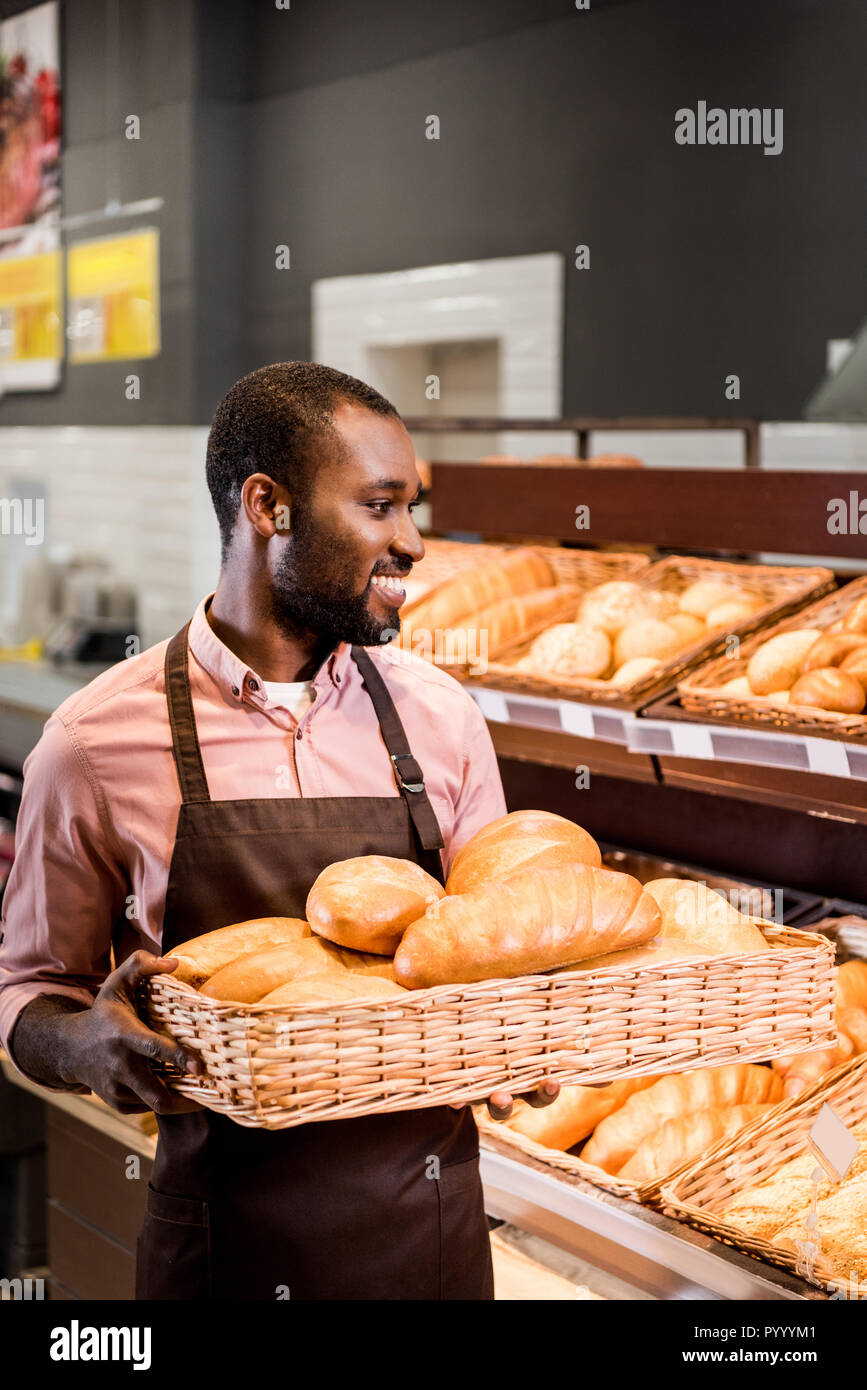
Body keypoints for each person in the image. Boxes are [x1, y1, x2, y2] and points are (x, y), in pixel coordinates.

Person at [0, 362, 560, 1301]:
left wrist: (524, 1038)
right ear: (268, 506)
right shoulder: (95, 744)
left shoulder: (442, 719)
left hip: (429, 1241)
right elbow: (27, 991)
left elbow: (488, 952)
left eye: (410, 507)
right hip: (223, 1249)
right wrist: (82, 1046)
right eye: (380, 506)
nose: (413, 542)